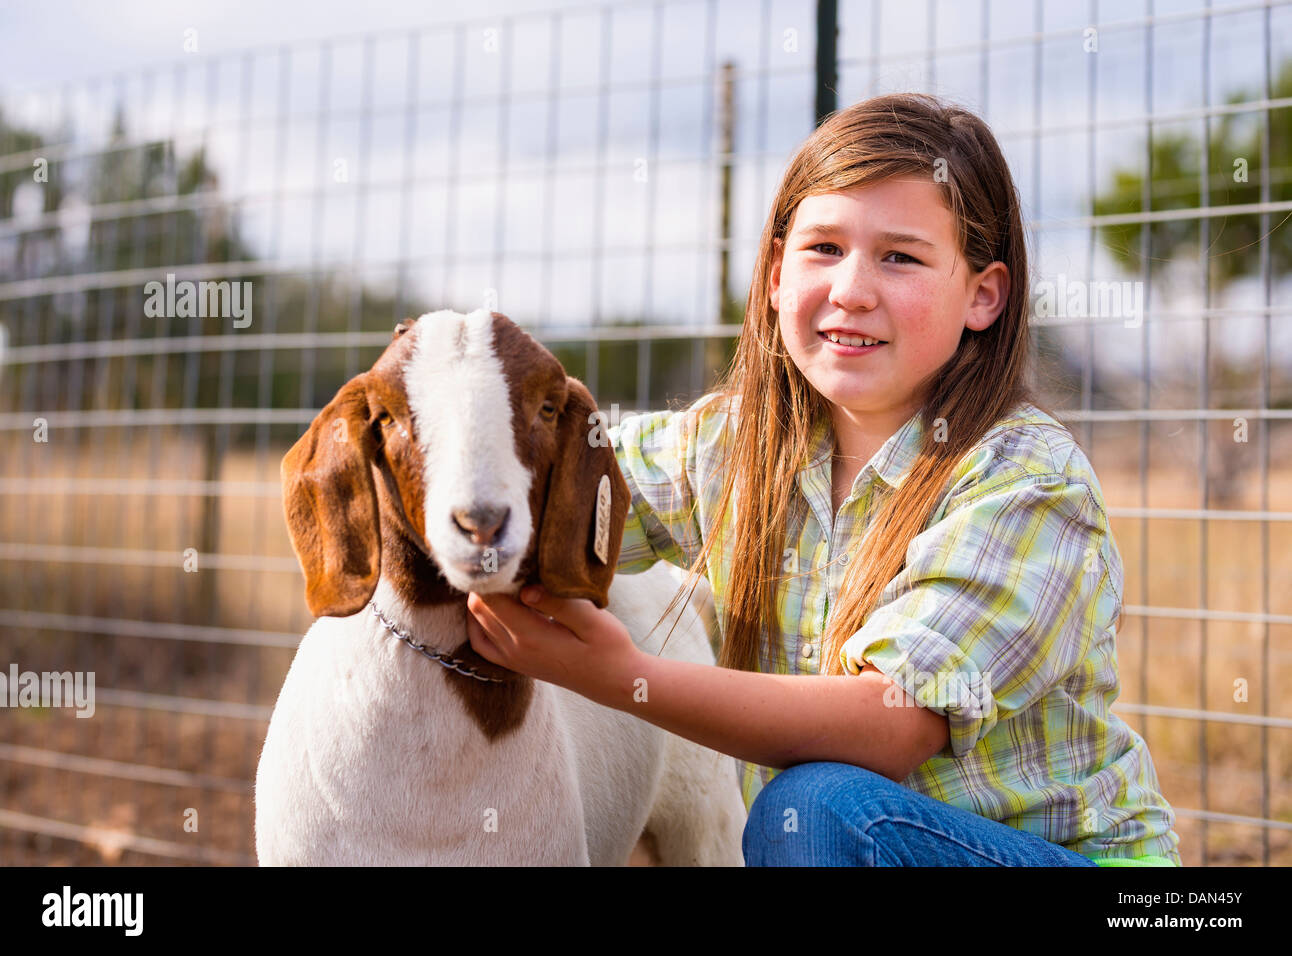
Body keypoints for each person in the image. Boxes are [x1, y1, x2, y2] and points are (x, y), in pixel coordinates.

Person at [466, 92, 1182, 867]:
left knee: (814, 810)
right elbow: (567, 498)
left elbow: (890, 723)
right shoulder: (731, 447)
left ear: (983, 294)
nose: (852, 289)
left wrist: (623, 678)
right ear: (776, 275)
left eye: (900, 256)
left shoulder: (1027, 480)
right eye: (824, 249)